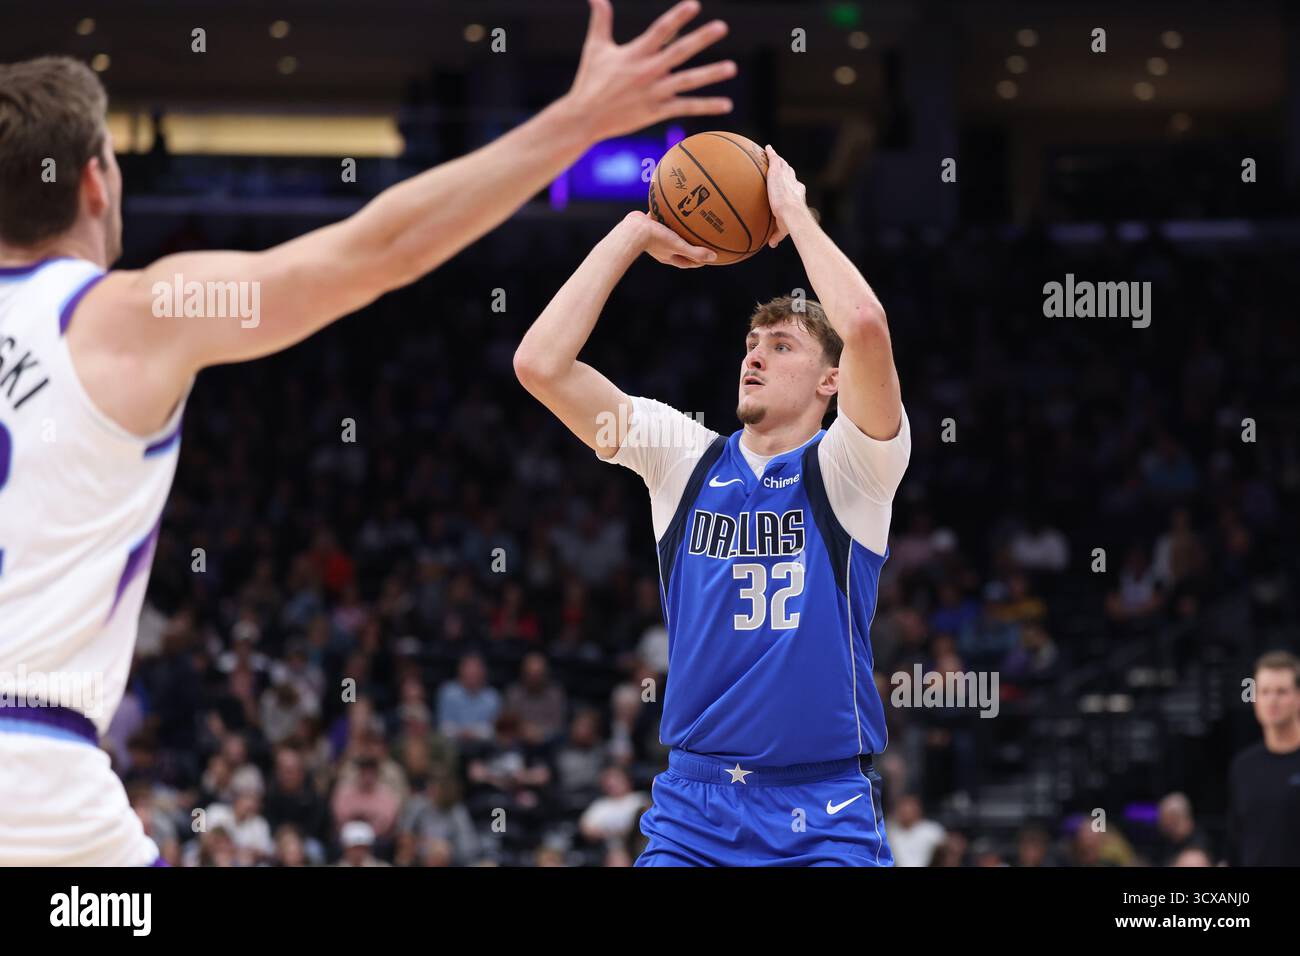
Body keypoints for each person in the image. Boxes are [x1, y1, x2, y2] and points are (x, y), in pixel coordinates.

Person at [0, 0, 736, 866]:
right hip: (34, 778)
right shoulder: (122, 319)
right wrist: (579, 121)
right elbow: (373, 252)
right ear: (96, 180)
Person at [514, 148, 910, 865]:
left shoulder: (854, 468)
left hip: (822, 808)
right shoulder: (683, 457)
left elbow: (866, 326)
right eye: (750, 343)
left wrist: (793, 212)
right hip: (696, 809)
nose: (753, 356)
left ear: (831, 381)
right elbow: (539, 365)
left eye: (781, 345)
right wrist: (632, 234)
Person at [1227, 651, 1300, 866]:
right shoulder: (1243, 766)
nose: (1272, 700)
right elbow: (1235, 842)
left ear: (1297, 697)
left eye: (1281, 692)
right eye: (1264, 692)